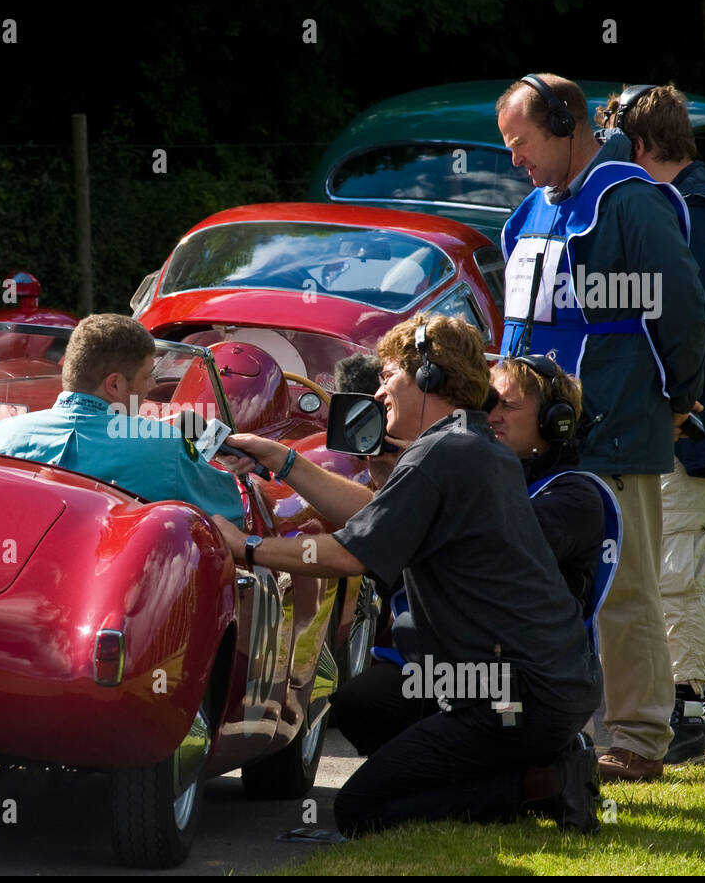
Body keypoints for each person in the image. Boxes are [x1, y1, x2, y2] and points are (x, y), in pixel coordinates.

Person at [213, 314, 604, 835]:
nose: (377, 394)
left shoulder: (441, 454)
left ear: (428, 378)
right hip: (543, 684)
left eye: (388, 376)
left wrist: (248, 548)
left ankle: (543, 783)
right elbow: (374, 515)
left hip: (516, 693)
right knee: (372, 723)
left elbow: (348, 554)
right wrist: (285, 461)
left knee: (360, 811)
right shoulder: (466, 444)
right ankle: (532, 762)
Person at [496, 74, 705, 782]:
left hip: (612, 428)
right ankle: (556, 729)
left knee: (624, 588)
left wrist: (679, 400)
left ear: (565, 124)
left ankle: (641, 739)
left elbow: (681, 310)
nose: (515, 160)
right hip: (537, 438)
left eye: (522, 143)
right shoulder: (530, 210)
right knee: (543, 588)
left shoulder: (628, 202)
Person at [601, 84, 705, 761]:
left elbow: (684, 324)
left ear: (639, 146)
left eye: (618, 148)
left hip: (695, 421)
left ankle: (684, 710)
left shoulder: (685, 215)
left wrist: (674, 406)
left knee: (678, 567)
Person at [0, 313, 244, 520]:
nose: (151, 384)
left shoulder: (0, 437)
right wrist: (235, 469)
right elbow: (233, 517)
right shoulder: (168, 446)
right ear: (114, 384)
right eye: (146, 375)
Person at [487, 355, 613, 616]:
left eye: (507, 406)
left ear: (553, 421)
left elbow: (495, 551)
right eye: (489, 404)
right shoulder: (494, 472)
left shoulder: (575, 498)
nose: (492, 416)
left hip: (532, 653)